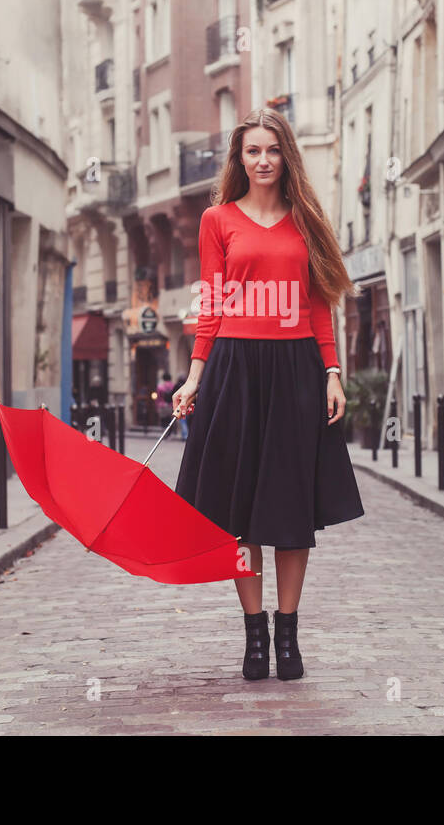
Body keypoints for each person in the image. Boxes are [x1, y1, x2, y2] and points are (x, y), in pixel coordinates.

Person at [172, 107, 365, 682]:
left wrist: (331, 371)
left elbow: (318, 305)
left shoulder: (305, 220)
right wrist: (195, 375)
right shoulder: (216, 220)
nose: (262, 161)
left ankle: (288, 633)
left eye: (272, 151)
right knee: (237, 515)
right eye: (252, 151)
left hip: (294, 368)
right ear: (239, 159)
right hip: (234, 366)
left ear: (286, 158)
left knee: (288, 508)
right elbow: (211, 301)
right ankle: (253, 636)